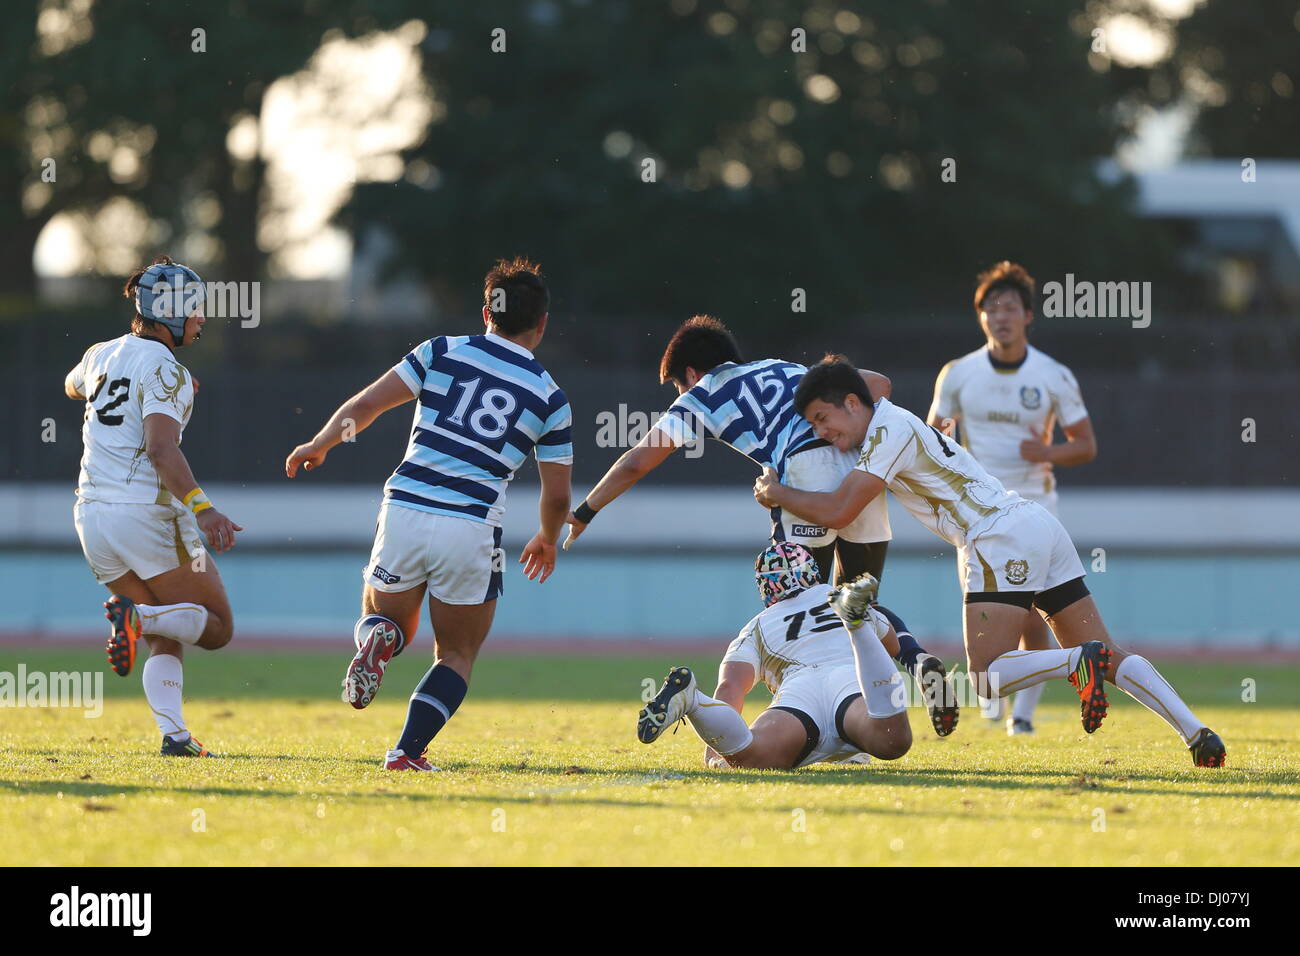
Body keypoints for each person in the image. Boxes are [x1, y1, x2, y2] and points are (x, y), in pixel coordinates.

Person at [753, 356, 1226, 767]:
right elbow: (877, 383)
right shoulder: (884, 412)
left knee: (985, 678)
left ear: (852, 403)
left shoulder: (884, 433)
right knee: (1108, 653)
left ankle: (1073, 663)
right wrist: (828, 378)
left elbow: (839, 510)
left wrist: (774, 492)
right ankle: (1195, 732)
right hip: (1035, 523)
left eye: (821, 418)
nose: (820, 433)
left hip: (992, 537)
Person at [566, 315, 958, 736]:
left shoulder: (701, 395)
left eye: (679, 386)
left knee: (792, 610)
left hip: (803, 475)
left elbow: (638, 461)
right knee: (857, 606)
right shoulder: (787, 369)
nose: (681, 396)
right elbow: (877, 384)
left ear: (692, 373)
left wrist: (584, 510)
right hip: (860, 468)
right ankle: (916, 660)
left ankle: (793, 719)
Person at [285, 257, 573, 771]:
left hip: (406, 508)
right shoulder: (550, 396)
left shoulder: (441, 351)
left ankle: (380, 638)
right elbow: (556, 496)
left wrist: (322, 441)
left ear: (486, 310)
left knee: (384, 618)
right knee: (456, 654)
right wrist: (548, 537)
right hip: (472, 524)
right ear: (542, 323)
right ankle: (406, 752)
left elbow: (369, 403)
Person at [66, 255, 241, 757]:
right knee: (217, 627)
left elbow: (72, 384)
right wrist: (203, 508)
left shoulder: (101, 353)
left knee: (165, 626)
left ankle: (175, 736)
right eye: (195, 308)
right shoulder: (169, 369)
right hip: (146, 513)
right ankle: (137, 616)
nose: (202, 317)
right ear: (169, 311)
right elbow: (162, 450)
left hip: (91, 518)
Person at [928, 261, 1097, 735]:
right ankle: (997, 690)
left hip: (1037, 507)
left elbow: (1086, 445)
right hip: (977, 511)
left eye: (1010, 308)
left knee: (1034, 609)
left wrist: (1046, 451)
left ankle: (1022, 714)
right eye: (991, 309)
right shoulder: (958, 374)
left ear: (1028, 316)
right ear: (980, 317)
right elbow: (932, 437)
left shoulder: (1053, 375)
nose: (1000, 317)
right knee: (985, 605)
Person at [638, 542, 912, 769]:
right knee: (892, 741)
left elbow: (731, 685)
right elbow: (892, 647)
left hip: (800, 695)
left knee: (750, 758)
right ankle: (857, 628)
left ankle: (694, 701)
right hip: (849, 686)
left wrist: (715, 750)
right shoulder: (838, 595)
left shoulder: (758, 624)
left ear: (765, 586)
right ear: (812, 571)